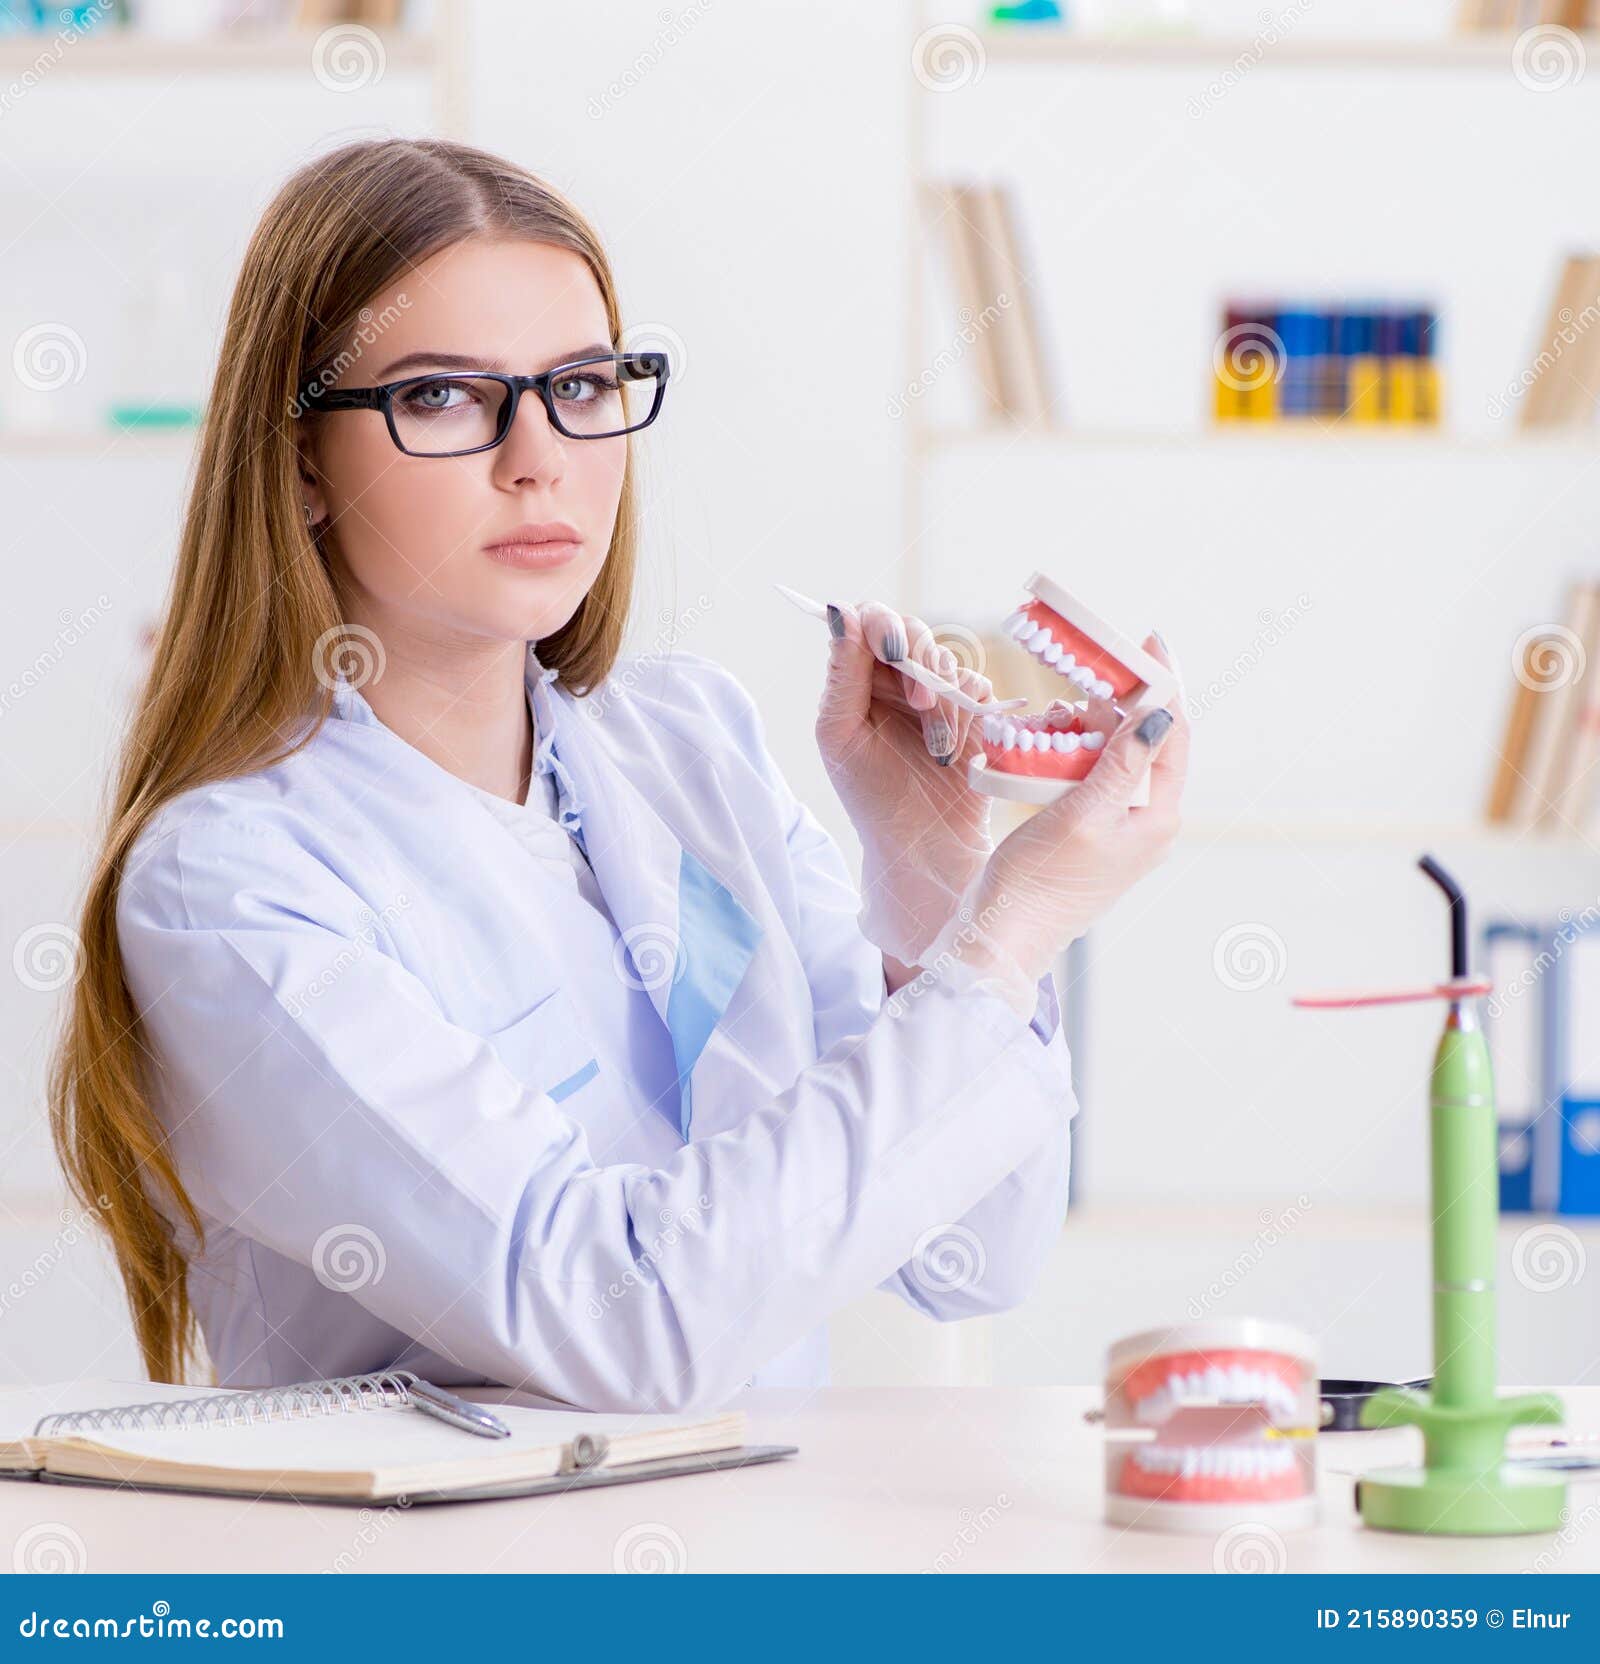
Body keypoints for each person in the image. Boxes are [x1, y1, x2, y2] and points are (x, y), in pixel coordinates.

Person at [48, 138, 1187, 1411]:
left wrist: (935, 877)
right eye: (441, 397)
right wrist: (1016, 933)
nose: (537, 456)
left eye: (582, 385)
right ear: (301, 459)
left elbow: (969, 1253)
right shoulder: (231, 883)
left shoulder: (684, 742)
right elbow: (625, 1320)